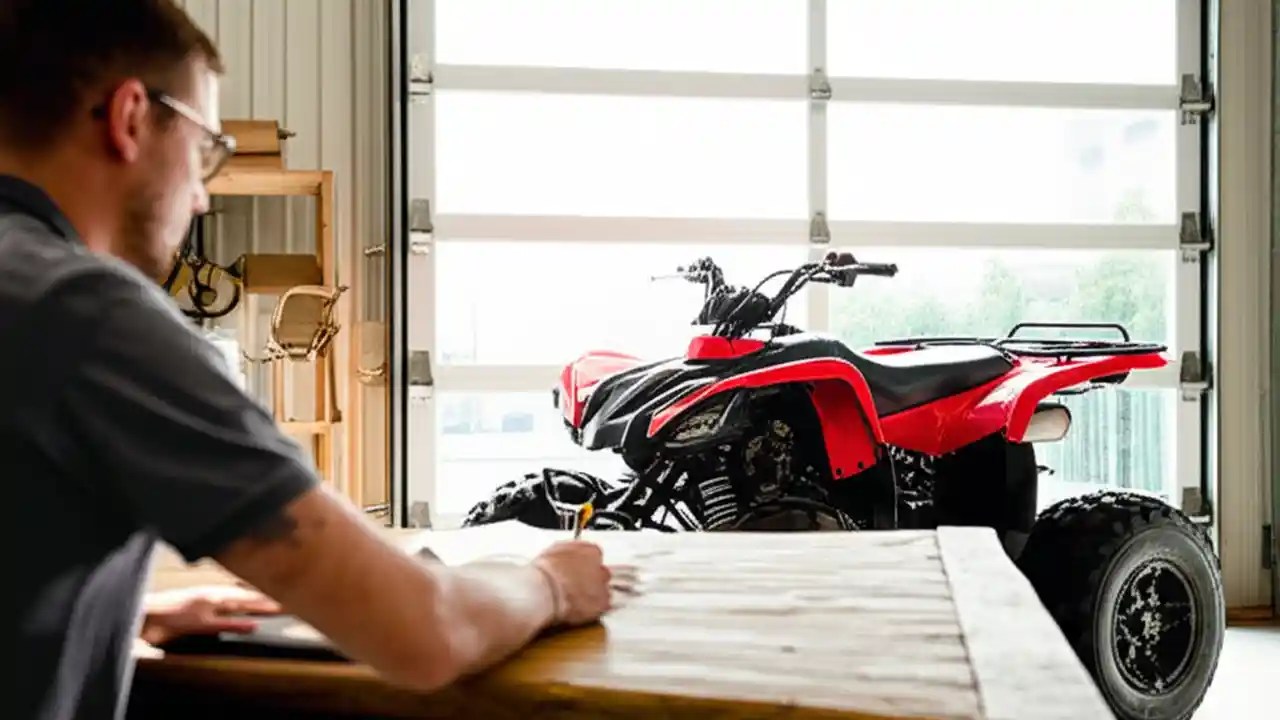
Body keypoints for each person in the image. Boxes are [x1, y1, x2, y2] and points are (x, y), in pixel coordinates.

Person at [0, 2, 627, 719]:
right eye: (205, 146)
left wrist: (124, 614)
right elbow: (423, 632)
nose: (202, 196)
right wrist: (549, 582)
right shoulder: (81, 312)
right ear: (131, 117)